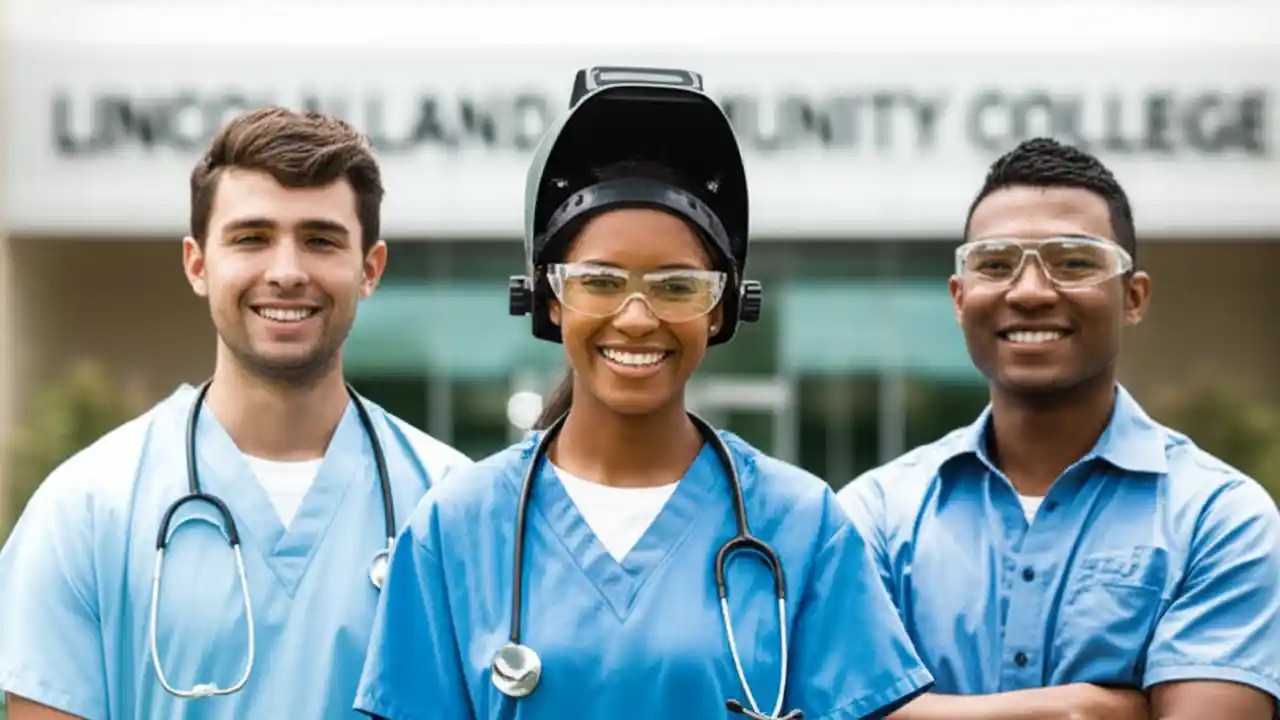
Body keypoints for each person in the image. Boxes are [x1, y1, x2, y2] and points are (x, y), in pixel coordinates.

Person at [353, 66, 933, 720]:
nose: (636, 317)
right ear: (549, 300)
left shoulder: (801, 525)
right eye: (599, 281)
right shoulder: (454, 526)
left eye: (677, 286)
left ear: (723, 309)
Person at [0, 107, 472, 719]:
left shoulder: (451, 506)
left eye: (320, 240)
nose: (286, 272)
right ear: (198, 265)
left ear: (370, 269)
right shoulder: (87, 510)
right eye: (251, 238)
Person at [837, 137, 1280, 720]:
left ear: (1134, 297)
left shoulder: (1220, 520)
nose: (1030, 292)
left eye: (1074, 262)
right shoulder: (875, 515)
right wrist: (1079, 710)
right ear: (959, 296)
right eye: (995, 264)